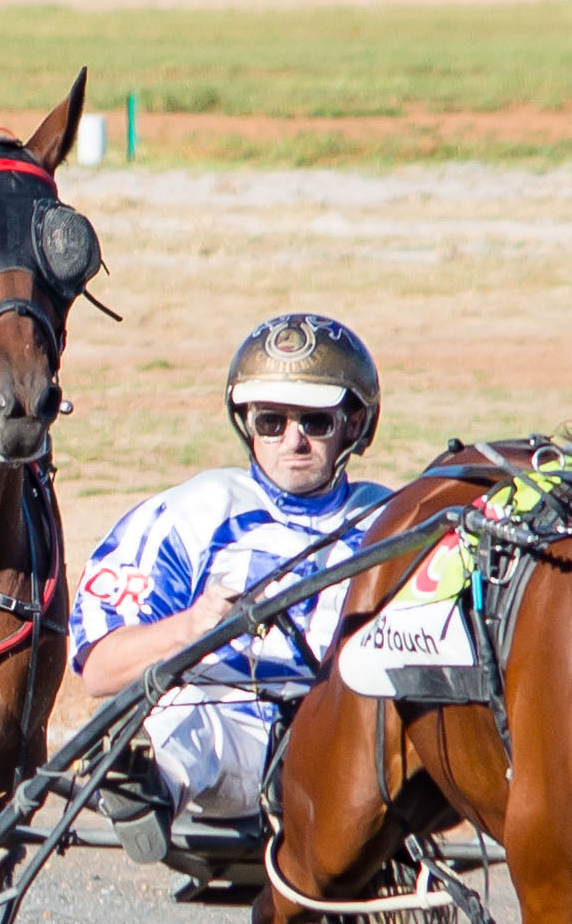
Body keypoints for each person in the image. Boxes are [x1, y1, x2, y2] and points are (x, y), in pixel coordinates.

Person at [69, 313, 393, 840]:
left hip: (354, 747)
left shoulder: (394, 521)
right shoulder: (194, 512)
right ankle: (146, 785)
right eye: (272, 421)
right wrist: (191, 627)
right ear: (246, 423)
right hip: (231, 735)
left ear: (354, 425)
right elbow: (99, 671)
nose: (293, 441)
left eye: (315, 422)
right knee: (172, 709)